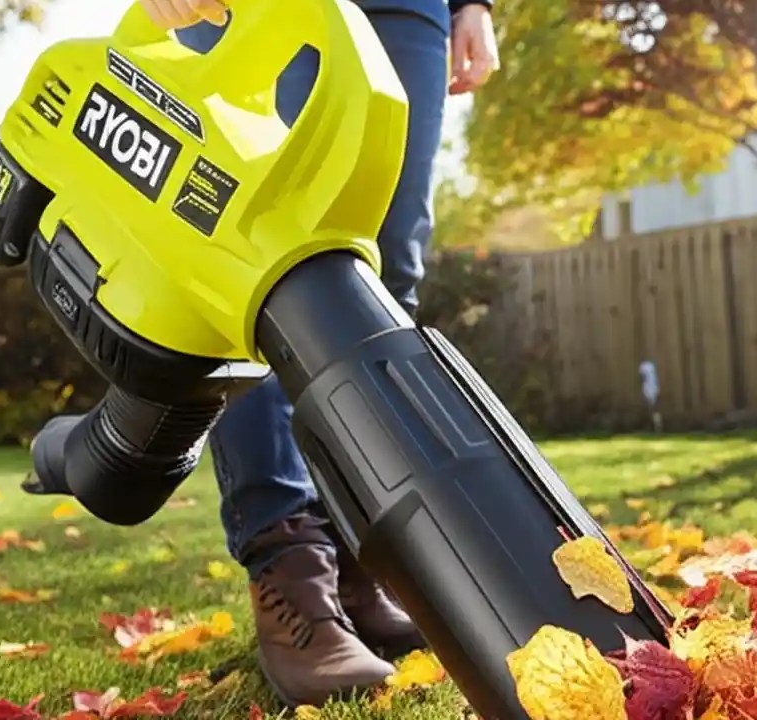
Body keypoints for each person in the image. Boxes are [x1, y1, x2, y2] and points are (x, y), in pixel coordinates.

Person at [137, 0, 500, 708]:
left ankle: (356, 562)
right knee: (258, 248)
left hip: (406, 11)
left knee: (383, 269)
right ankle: (288, 564)